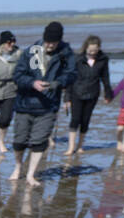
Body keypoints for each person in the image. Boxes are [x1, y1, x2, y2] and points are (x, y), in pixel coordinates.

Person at [11, 21, 76, 185]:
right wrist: (32, 83)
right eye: (47, 42)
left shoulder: (66, 54)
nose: (50, 45)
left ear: (59, 41)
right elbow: (18, 75)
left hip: (48, 106)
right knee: (19, 141)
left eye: (53, 43)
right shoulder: (31, 52)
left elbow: (72, 74)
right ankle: (18, 167)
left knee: (39, 142)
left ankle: (30, 175)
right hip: (25, 104)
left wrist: (57, 83)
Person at [65, 35, 113, 154]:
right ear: (85, 47)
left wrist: (108, 93)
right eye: (90, 50)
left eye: (95, 50)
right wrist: (67, 98)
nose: (92, 52)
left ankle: (80, 146)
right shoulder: (77, 59)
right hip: (77, 93)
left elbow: (105, 77)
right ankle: (71, 147)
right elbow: (70, 79)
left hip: (93, 93)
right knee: (75, 119)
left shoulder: (103, 59)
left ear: (99, 48)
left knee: (85, 120)